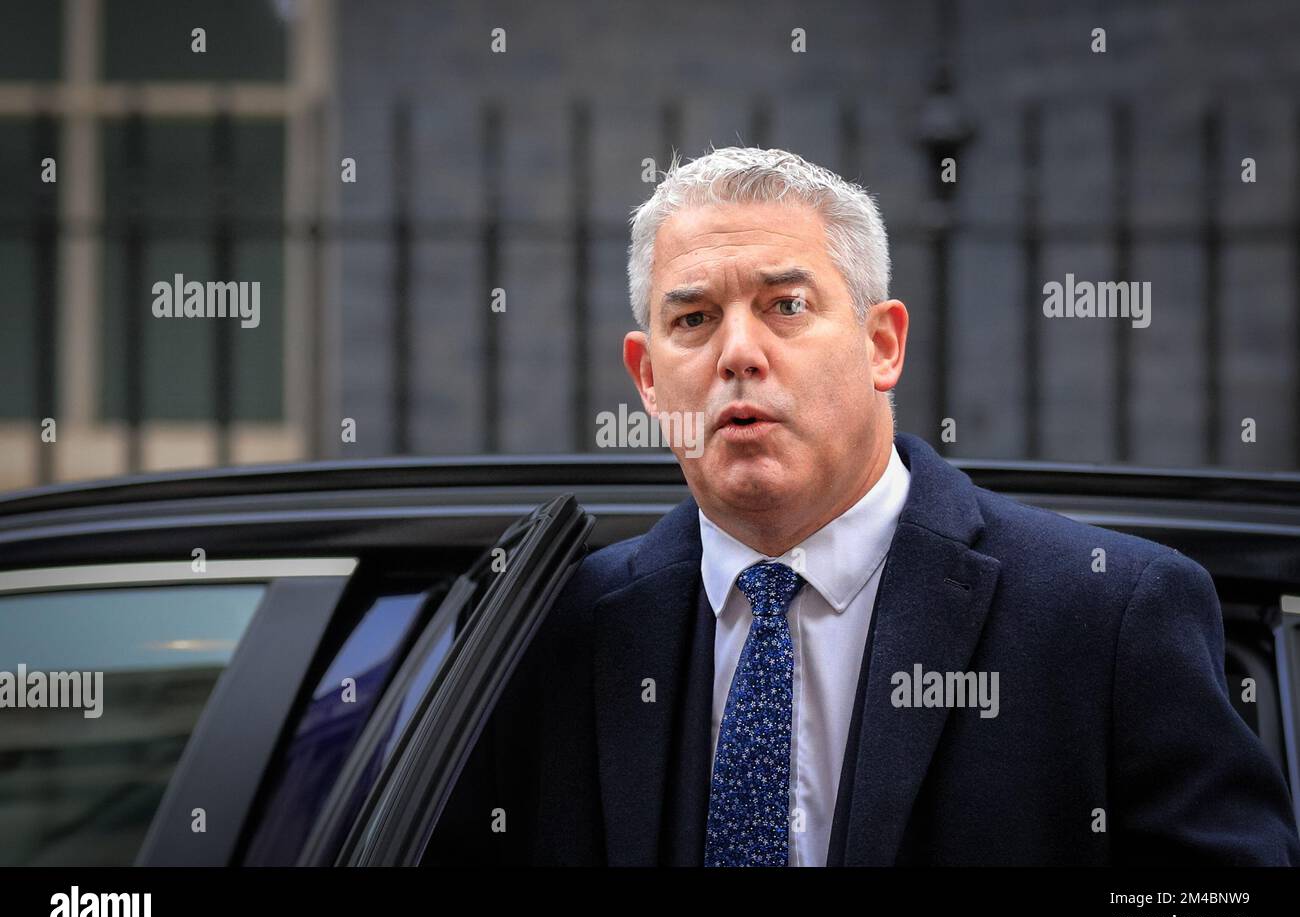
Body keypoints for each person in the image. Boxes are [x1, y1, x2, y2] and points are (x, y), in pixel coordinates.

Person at [428, 146, 1300, 867]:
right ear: (649, 380)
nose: (739, 352)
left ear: (883, 345)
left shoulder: (1106, 612)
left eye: (787, 305)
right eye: (692, 319)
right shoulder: (557, 630)